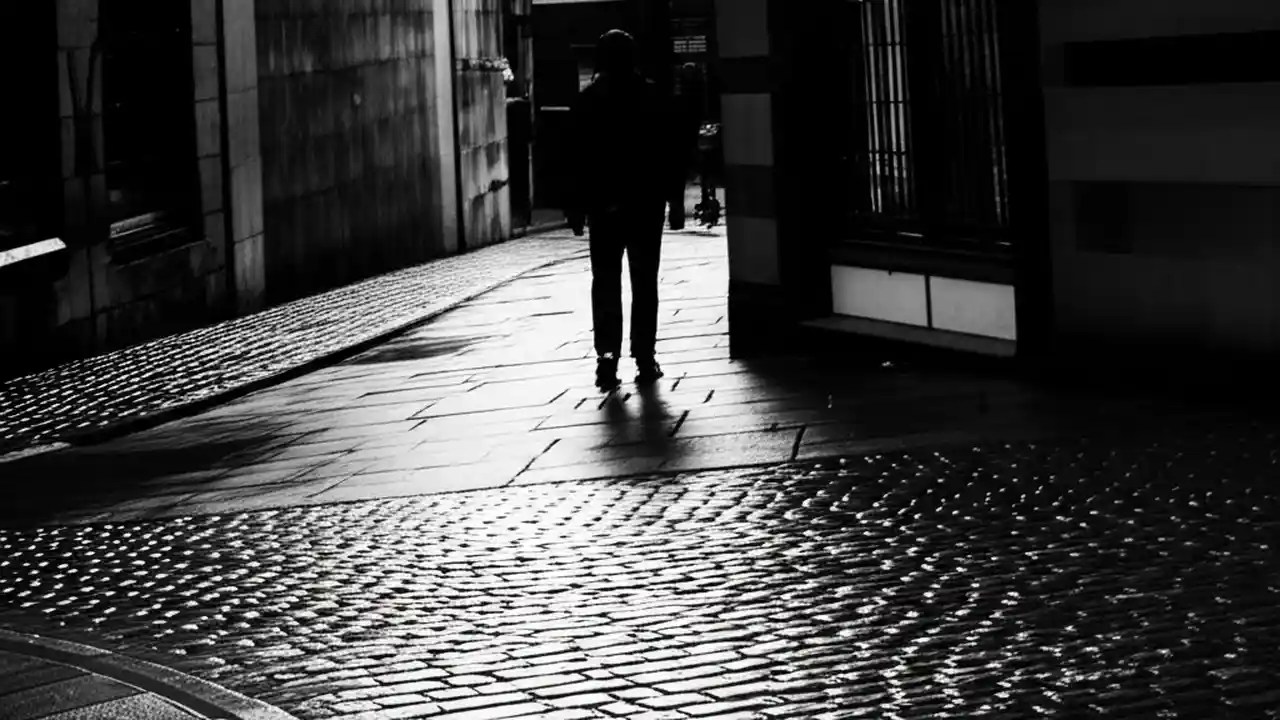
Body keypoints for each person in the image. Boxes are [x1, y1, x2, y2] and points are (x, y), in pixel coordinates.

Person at [566, 30, 691, 392]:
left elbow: (575, 160)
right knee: (644, 281)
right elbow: (671, 155)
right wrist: (675, 200)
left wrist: (575, 207)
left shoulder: (588, 101)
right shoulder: (653, 98)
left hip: (604, 207)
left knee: (605, 281)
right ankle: (644, 355)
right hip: (645, 204)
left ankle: (607, 357)